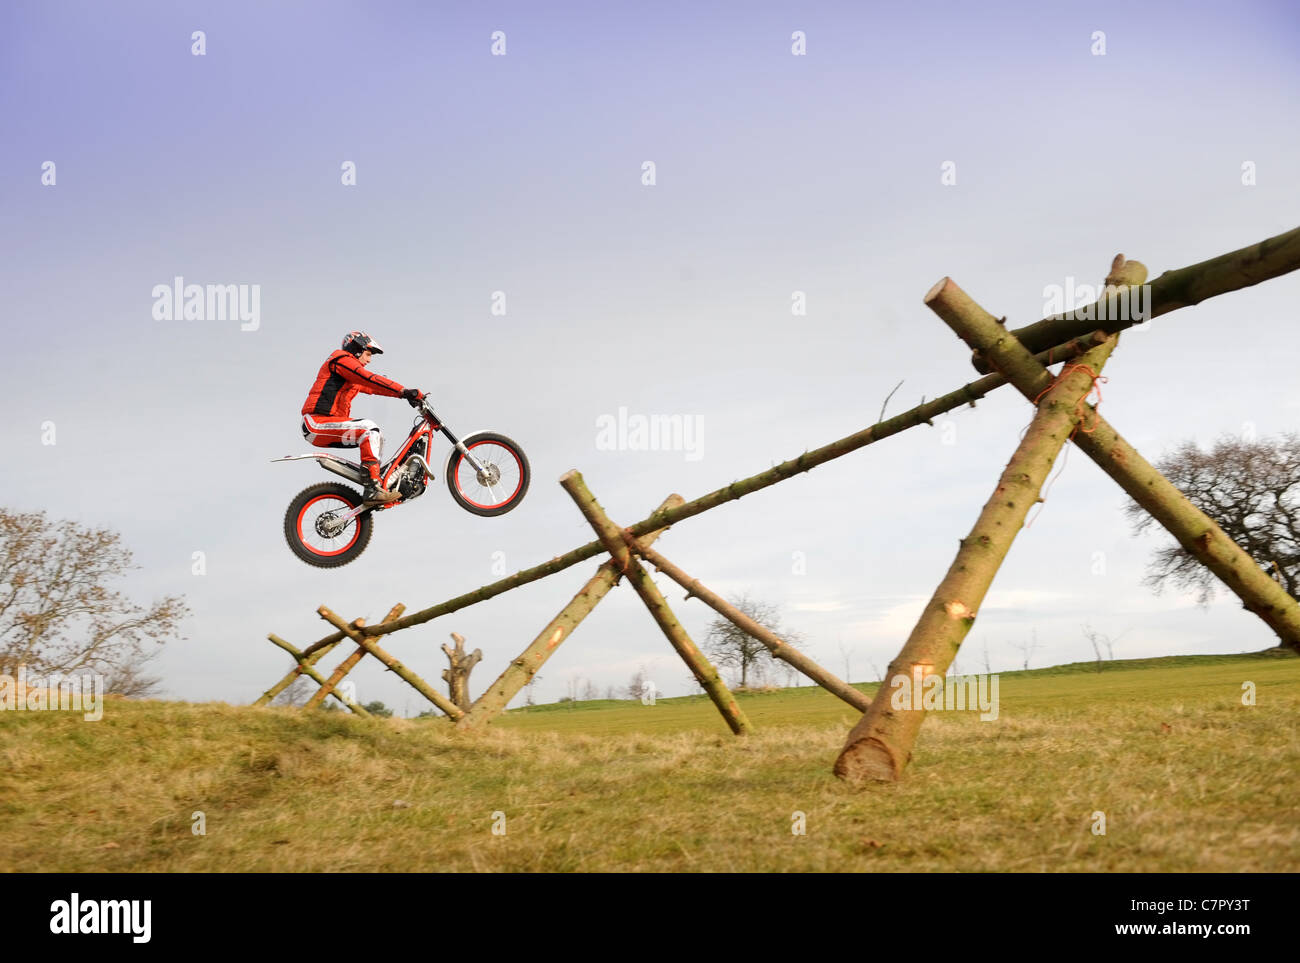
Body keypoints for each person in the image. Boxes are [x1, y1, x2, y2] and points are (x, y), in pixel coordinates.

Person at [301, 331, 423, 504]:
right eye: (367, 354)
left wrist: (404, 395)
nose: (369, 360)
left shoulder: (350, 376)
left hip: (328, 424)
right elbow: (369, 379)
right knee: (369, 429)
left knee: (377, 438)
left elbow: (375, 388)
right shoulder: (340, 360)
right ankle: (372, 488)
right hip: (315, 423)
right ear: (356, 349)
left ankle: (379, 483)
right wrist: (402, 390)